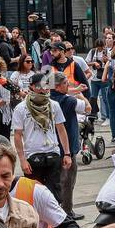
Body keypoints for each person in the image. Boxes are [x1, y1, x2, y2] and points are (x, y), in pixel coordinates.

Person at [11, 71, 72, 204]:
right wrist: (22, 160)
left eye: (46, 85)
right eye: (39, 85)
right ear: (32, 86)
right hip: (33, 155)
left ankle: (53, 224)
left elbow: (61, 130)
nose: (43, 88)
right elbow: (17, 136)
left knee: (54, 196)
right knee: (33, 195)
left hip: (53, 154)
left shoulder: (53, 105)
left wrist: (67, 153)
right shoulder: (21, 108)